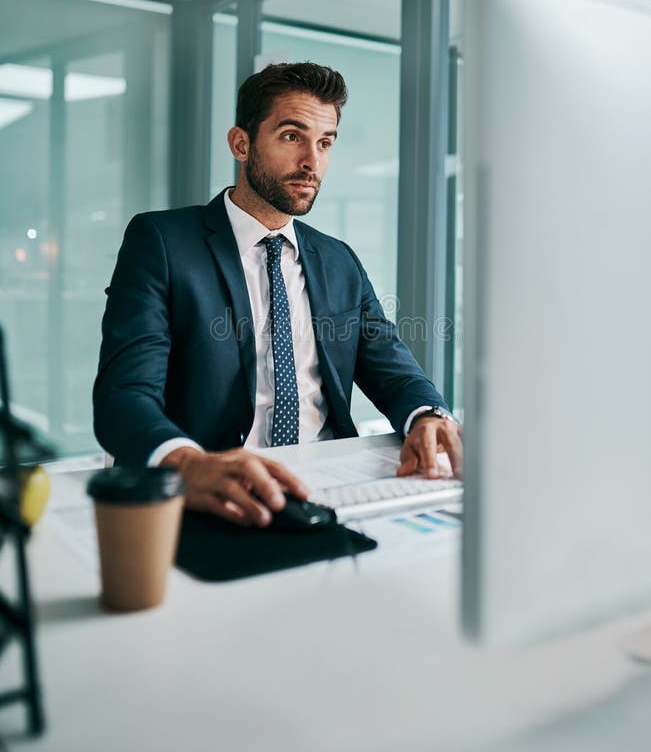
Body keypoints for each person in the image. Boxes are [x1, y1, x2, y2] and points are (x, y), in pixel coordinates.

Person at [93, 62, 462, 528]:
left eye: (325, 143)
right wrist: (188, 464)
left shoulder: (338, 259)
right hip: (219, 493)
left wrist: (428, 417)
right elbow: (122, 396)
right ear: (241, 144)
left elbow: (395, 372)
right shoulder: (163, 242)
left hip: (331, 490)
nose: (312, 161)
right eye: (292, 136)